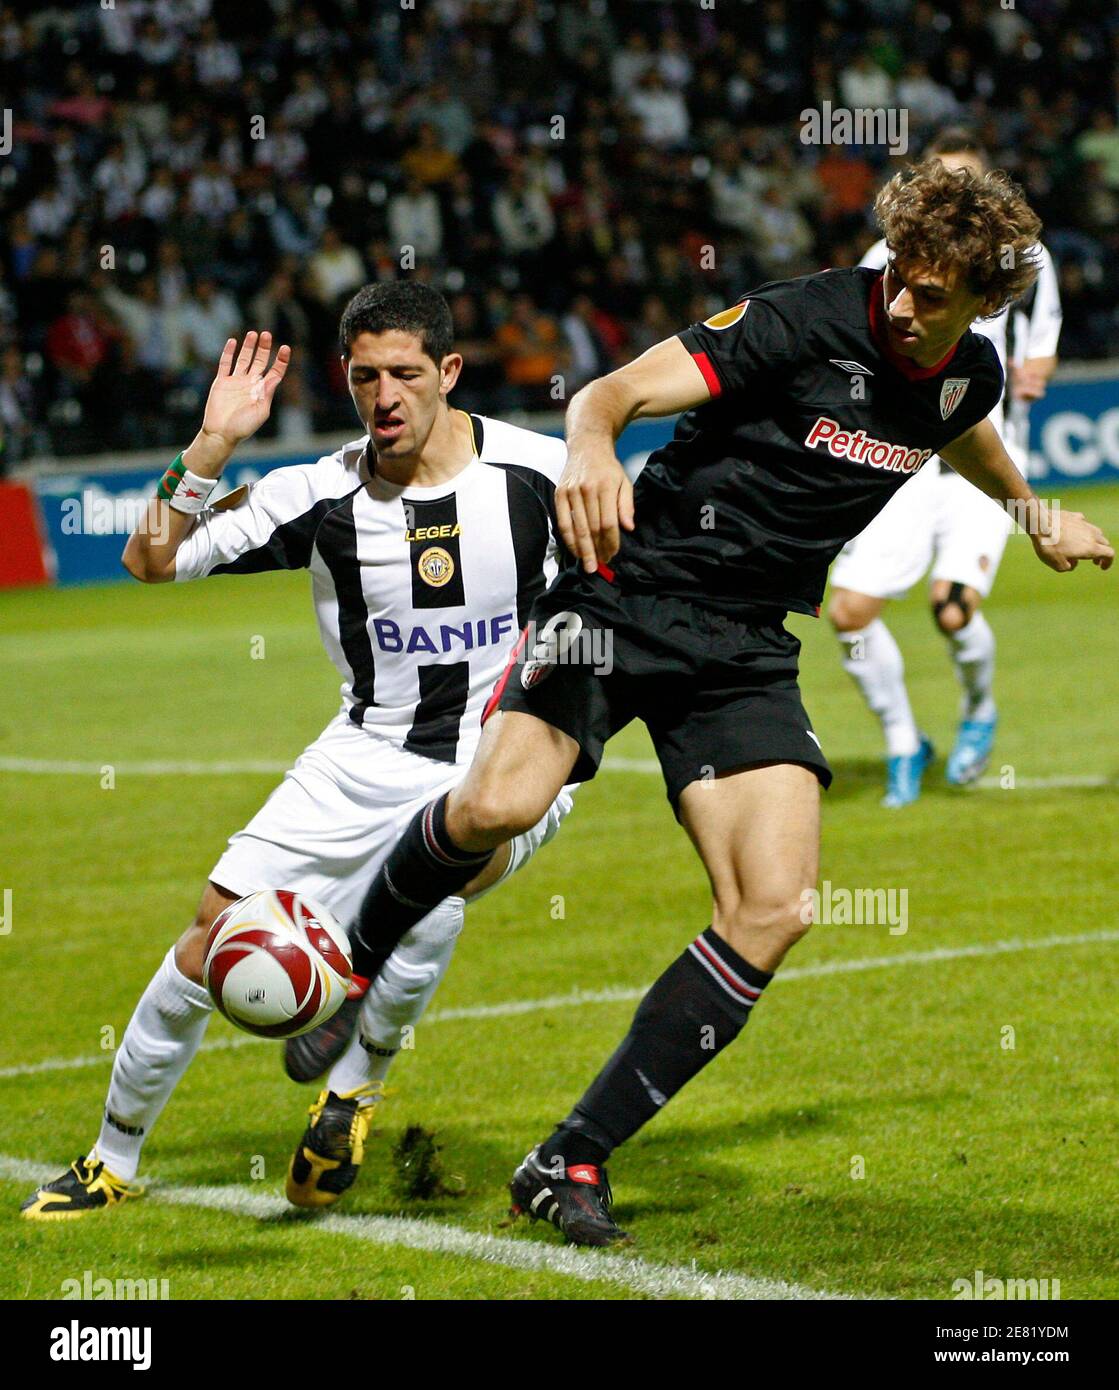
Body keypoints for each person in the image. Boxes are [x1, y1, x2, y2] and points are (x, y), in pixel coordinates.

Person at [289, 160, 1112, 1247]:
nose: (908, 306)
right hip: (628, 588)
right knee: (498, 805)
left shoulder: (970, 375)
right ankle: (350, 953)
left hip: (744, 645)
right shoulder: (804, 318)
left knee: (775, 905)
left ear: (984, 300)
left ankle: (567, 1156)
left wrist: (1031, 511)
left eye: (936, 295)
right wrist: (589, 451)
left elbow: (956, 427)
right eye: (903, 281)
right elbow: (609, 394)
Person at [20, 282, 574, 1220]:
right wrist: (212, 444)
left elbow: (645, 568)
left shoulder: (542, 471)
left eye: (405, 373)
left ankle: (349, 1094)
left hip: (503, 756)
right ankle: (110, 1161)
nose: (385, 395)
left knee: (439, 873)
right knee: (204, 942)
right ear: (345, 381)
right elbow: (151, 559)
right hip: (360, 752)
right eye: (365, 377)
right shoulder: (317, 493)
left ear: (448, 372)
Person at [828, 130, 1064, 803]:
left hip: (979, 461)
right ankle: (904, 742)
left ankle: (978, 711)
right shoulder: (885, 257)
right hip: (900, 459)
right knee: (849, 613)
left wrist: (1020, 372)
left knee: (952, 610)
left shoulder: (1020, 259)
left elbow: (1040, 351)